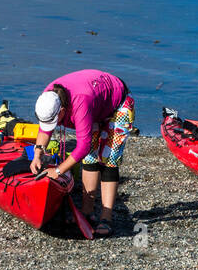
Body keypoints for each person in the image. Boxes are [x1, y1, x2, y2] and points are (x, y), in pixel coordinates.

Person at [32, 69, 134, 237]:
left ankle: (106, 218)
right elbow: (45, 128)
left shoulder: (80, 102)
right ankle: (87, 212)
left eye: (55, 120)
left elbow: (83, 146)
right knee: (90, 160)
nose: (53, 124)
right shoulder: (48, 98)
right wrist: (37, 154)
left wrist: (57, 171)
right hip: (95, 104)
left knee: (108, 161)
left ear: (63, 111)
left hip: (118, 104)